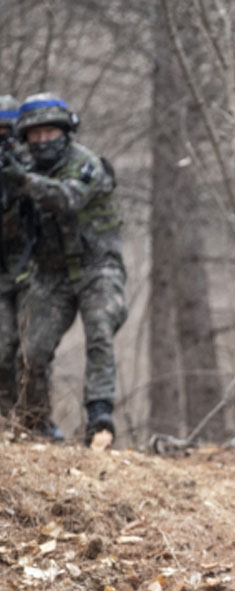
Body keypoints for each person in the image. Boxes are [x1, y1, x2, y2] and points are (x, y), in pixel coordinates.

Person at [2, 93, 124, 444]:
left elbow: (69, 198)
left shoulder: (86, 163)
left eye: (50, 133)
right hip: (51, 274)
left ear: (65, 132)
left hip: (97, 267)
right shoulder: (20, 168)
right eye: (35, 136)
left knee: (99, 330)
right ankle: (35, 423)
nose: (43, 141)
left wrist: (21, 182)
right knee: (32, 350)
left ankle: (100, 416)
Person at [0, 93, 27, 420]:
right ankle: (6, 416)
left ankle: (35, 415)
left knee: (33, 351)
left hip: (31, 271)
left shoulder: (31, 167)